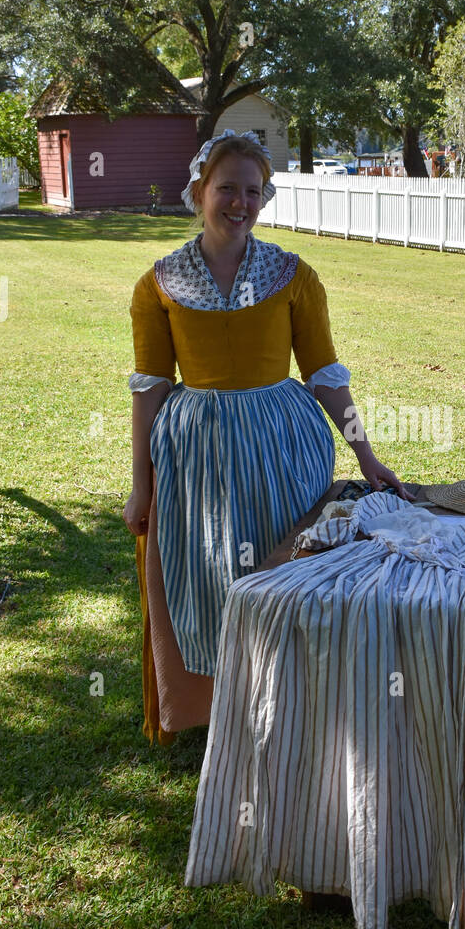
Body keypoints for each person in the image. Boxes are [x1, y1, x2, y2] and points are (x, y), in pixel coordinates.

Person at [123, 129, 409, 744]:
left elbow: (327, 377)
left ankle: (290, 705)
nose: (240, 203)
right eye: (227, 188)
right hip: (197, 458)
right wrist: (140, 487)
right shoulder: (160, 283)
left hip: (282, 447)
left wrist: (367, 453)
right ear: (199, 191)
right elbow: (149, 388)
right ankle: (217, 709)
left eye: (253, 191)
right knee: (206, 572)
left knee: (283, 572)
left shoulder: (292, 277)